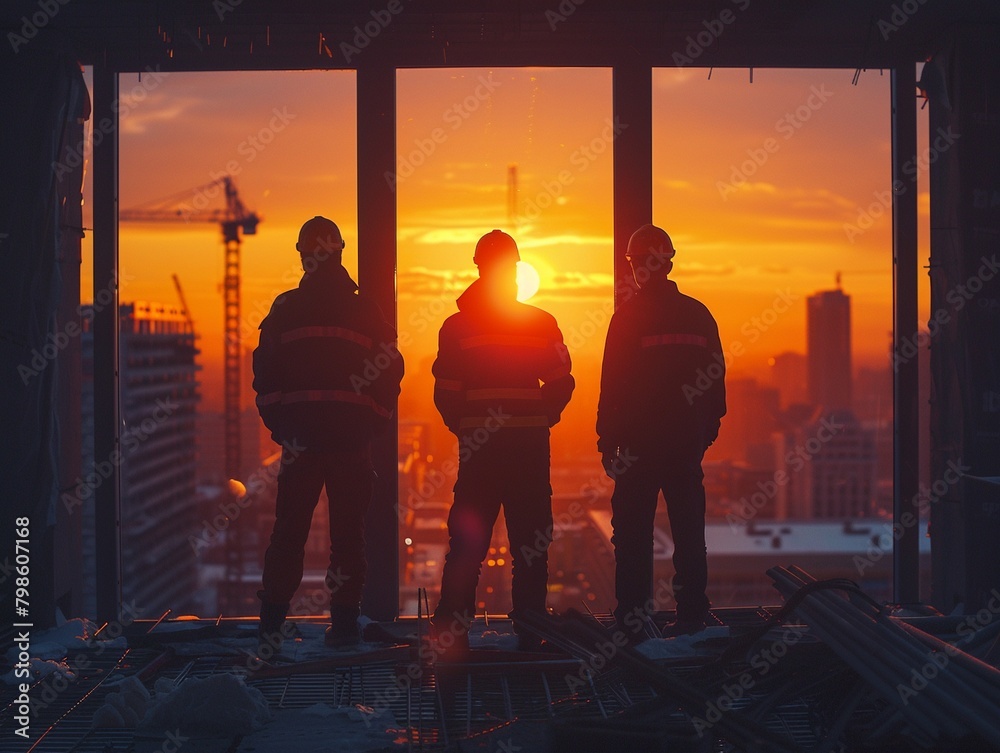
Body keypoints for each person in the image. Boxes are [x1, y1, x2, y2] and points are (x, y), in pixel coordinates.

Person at [253, 216, 403, 653]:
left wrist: (283, 426)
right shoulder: (365, 311)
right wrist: (371, 419)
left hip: (302, 441)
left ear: (303, 255)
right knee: (348, 536)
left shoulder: (286, 309)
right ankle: (343, 627)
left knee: (289, 533)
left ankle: (271, 629)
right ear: (339, 252)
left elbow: (265, 375)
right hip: (350, 442)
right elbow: (391, 369)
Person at [430, 230, 574, 653]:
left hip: (484, 454)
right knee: (530, 542)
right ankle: (529, 629)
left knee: (469, 544)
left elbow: (445, 392)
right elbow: (563, 379)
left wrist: (469, 428)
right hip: (526, 451)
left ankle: (453, 632)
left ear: (479, 266)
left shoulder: (457, 327)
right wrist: (542, 416)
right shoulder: (539, 322)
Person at [597, 224, 726, 641]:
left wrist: (608, 441)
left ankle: (632, 622)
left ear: (637, 268)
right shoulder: (698, 314)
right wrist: (702, 433)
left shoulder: (628, 318)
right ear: (669, 261)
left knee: (632, 536)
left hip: (639, 446)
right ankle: (691, 616)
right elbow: (716, 383)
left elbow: (612, 387)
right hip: (684, 444)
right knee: (689, 530)